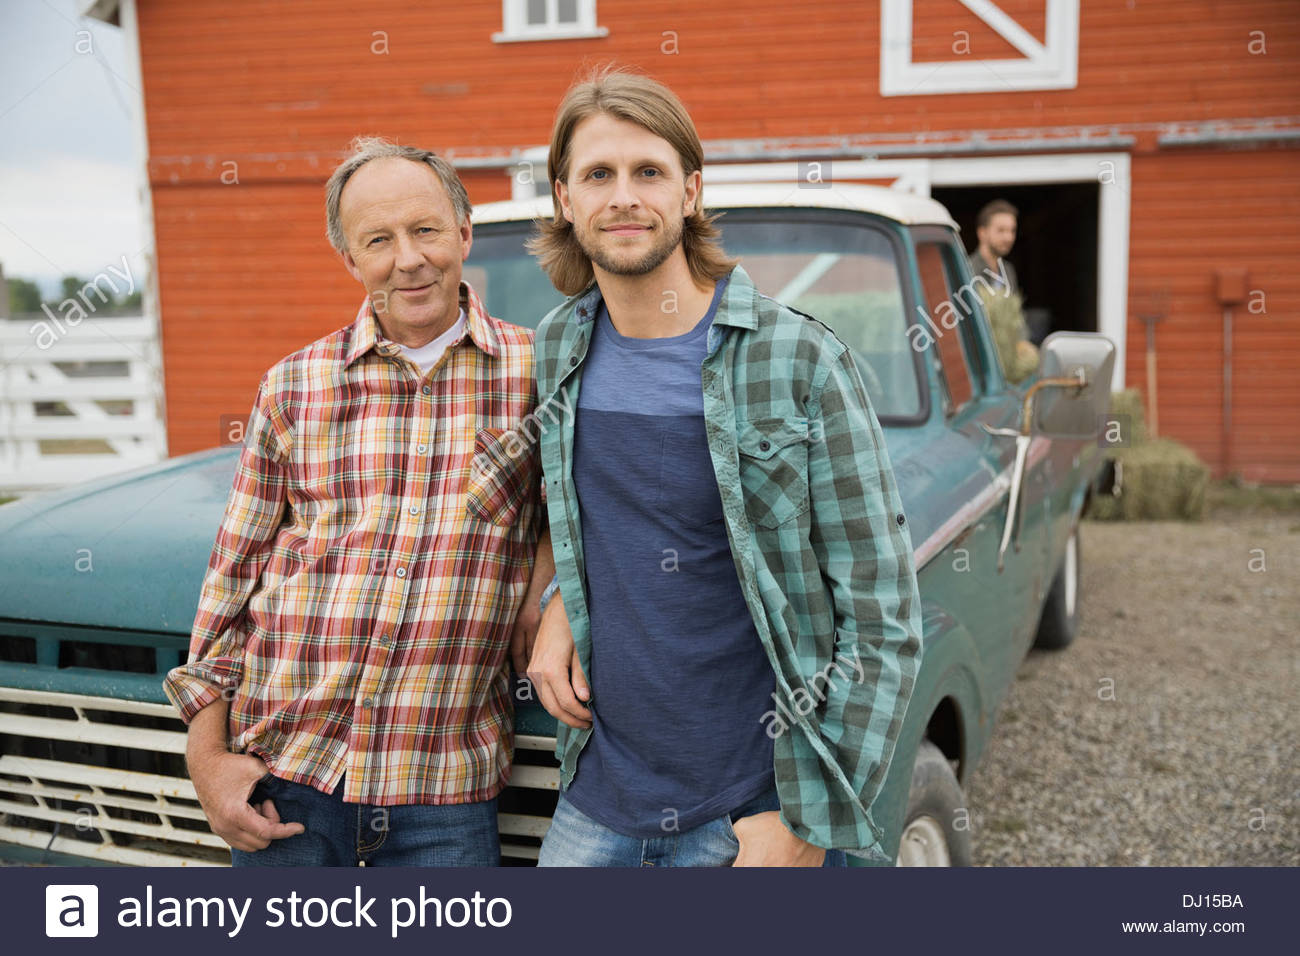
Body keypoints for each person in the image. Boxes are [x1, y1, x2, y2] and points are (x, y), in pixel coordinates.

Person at [524, 70, 923, 867]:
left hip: (754, 816)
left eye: (650, 172)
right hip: (598, 801)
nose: (624, 197)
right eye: (598, 175)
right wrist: (562, 601)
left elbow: (883, 615)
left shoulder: (797, 357)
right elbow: (598, 518)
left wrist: (809, 822)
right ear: (566, 199)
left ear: (692, 190)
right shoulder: (559, 346)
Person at [163, 137, 553, 866]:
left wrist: (545, 579)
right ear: (350, 259)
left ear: (464, 234)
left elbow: (588, 513)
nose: (409, 259)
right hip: (285, 784)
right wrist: (206, 760)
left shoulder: (541, 376)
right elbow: (231, 585)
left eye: (427, 229)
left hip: (444, 791)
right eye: (378, 240)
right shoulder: (294, 386)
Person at [969, 199, 1038, 383]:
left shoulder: (1008, 270)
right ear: (982, 233)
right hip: (982, 367)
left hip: (1008, 366)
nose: (1008, 237)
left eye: (1012, 230)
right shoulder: (968, 269)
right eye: (1001, 230)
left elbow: (1016, 316)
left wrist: (1023, 343)